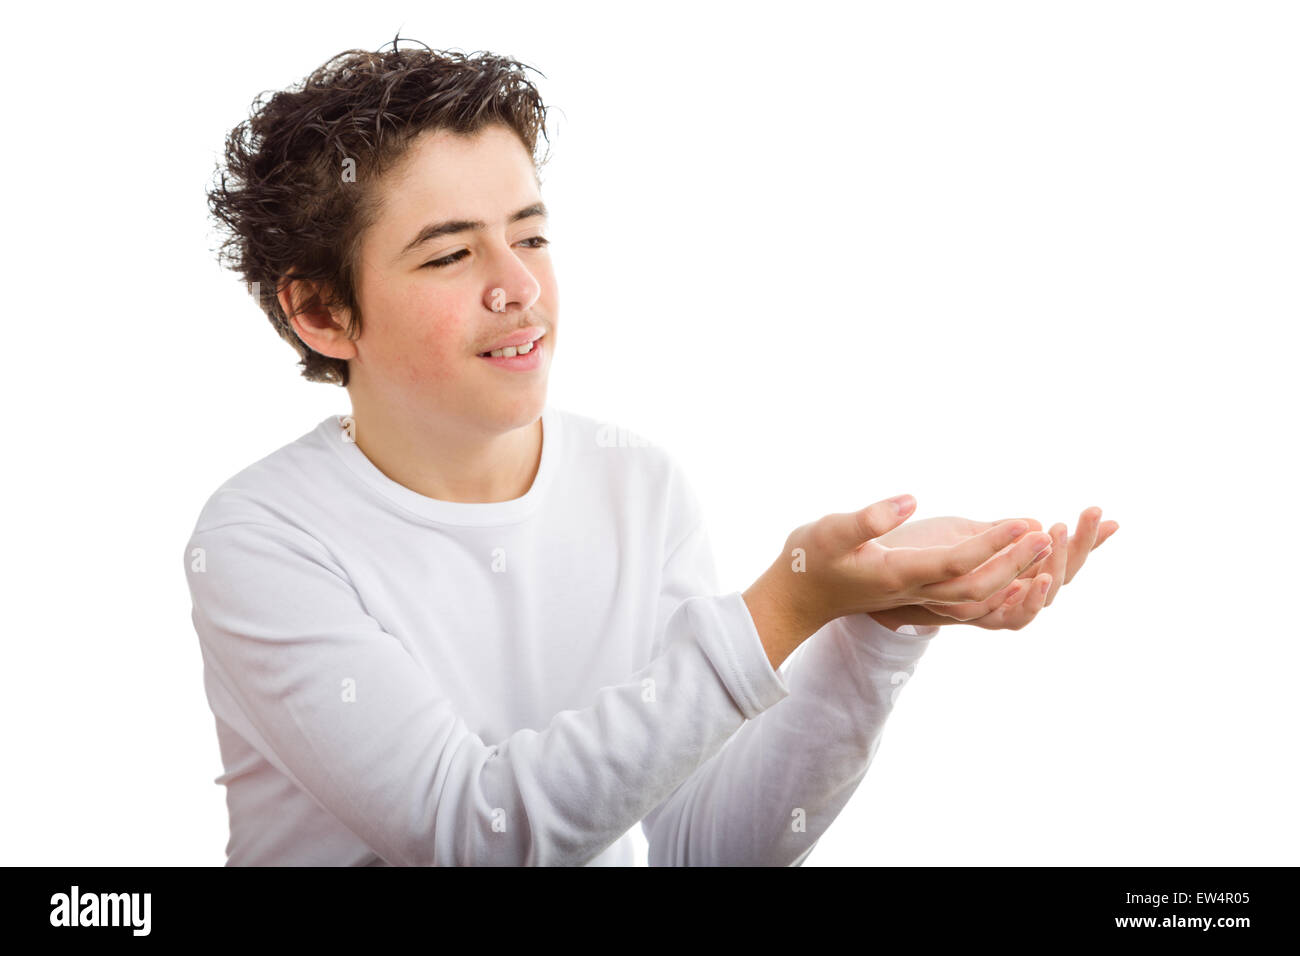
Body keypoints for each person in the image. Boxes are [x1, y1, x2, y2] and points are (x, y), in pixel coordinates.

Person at [185, 40, 1117, 866]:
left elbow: (700, 851)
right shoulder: (260, 539)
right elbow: (468, 837)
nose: (519, 287)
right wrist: (784, 607)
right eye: (448, 256)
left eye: (531, 235)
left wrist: (874, 625)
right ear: (319, 311)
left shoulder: (639, 485)